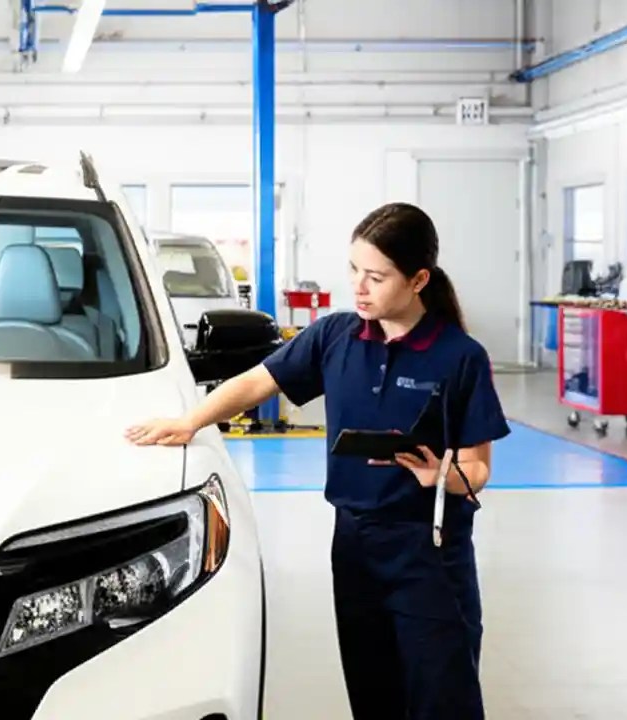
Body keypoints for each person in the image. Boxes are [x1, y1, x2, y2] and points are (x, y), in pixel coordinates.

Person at [125, 202, 510, 720]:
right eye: (355, 270)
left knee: (441, 697)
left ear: (419, 279)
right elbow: (258, 381)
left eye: (376, 276)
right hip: (353, 546)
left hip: (428, 552)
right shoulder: (336, 336)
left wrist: (437, 472)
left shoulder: (460, 357)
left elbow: (478, 471)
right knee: (372, 692)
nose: (360, 287)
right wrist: (193, 421)